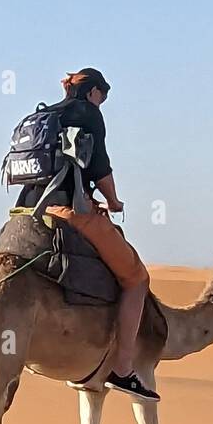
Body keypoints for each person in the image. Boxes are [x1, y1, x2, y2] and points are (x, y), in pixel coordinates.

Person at [34, 68, 157, 401]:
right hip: (70, 212)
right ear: (92, 93)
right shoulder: (88, 114)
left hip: (31, 211)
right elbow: (99, 165)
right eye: (103, 96)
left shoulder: (46, 114)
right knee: (136, 279)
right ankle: (123, 369)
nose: (102, 102)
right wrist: (114, 201)